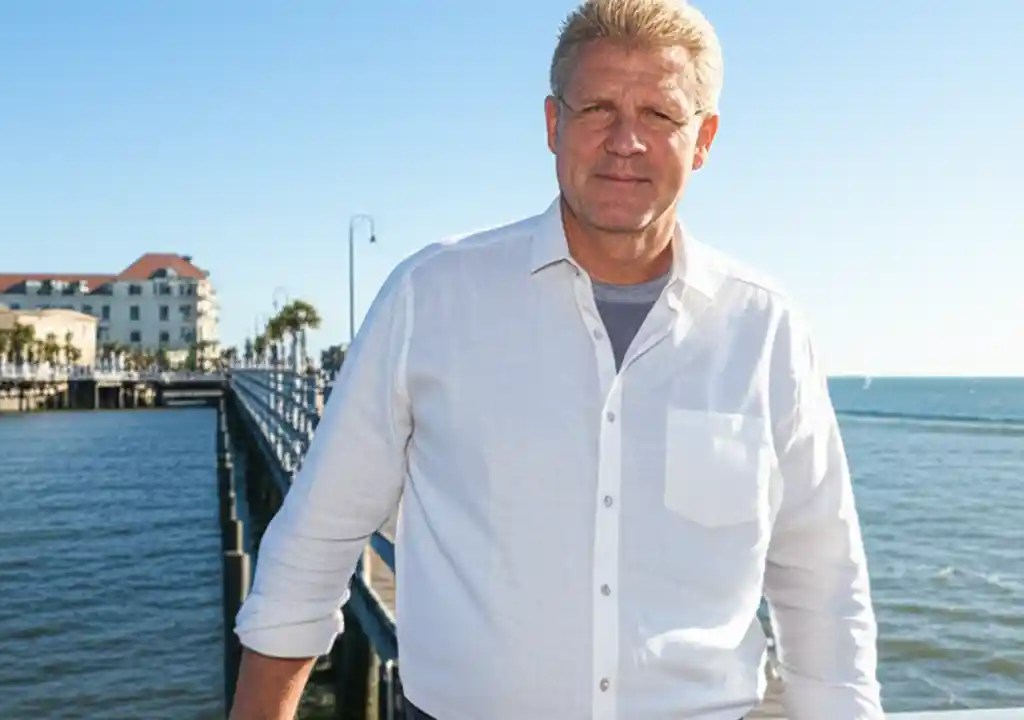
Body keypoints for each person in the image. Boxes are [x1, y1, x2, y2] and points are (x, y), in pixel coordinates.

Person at [229, 0, 883, 717]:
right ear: (552, 124)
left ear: (704, 139)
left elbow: (822, 585)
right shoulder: (433, 297)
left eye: (660, 115)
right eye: (598, 107)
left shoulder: (766, 328)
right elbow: (315, 541)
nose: (626, 140)